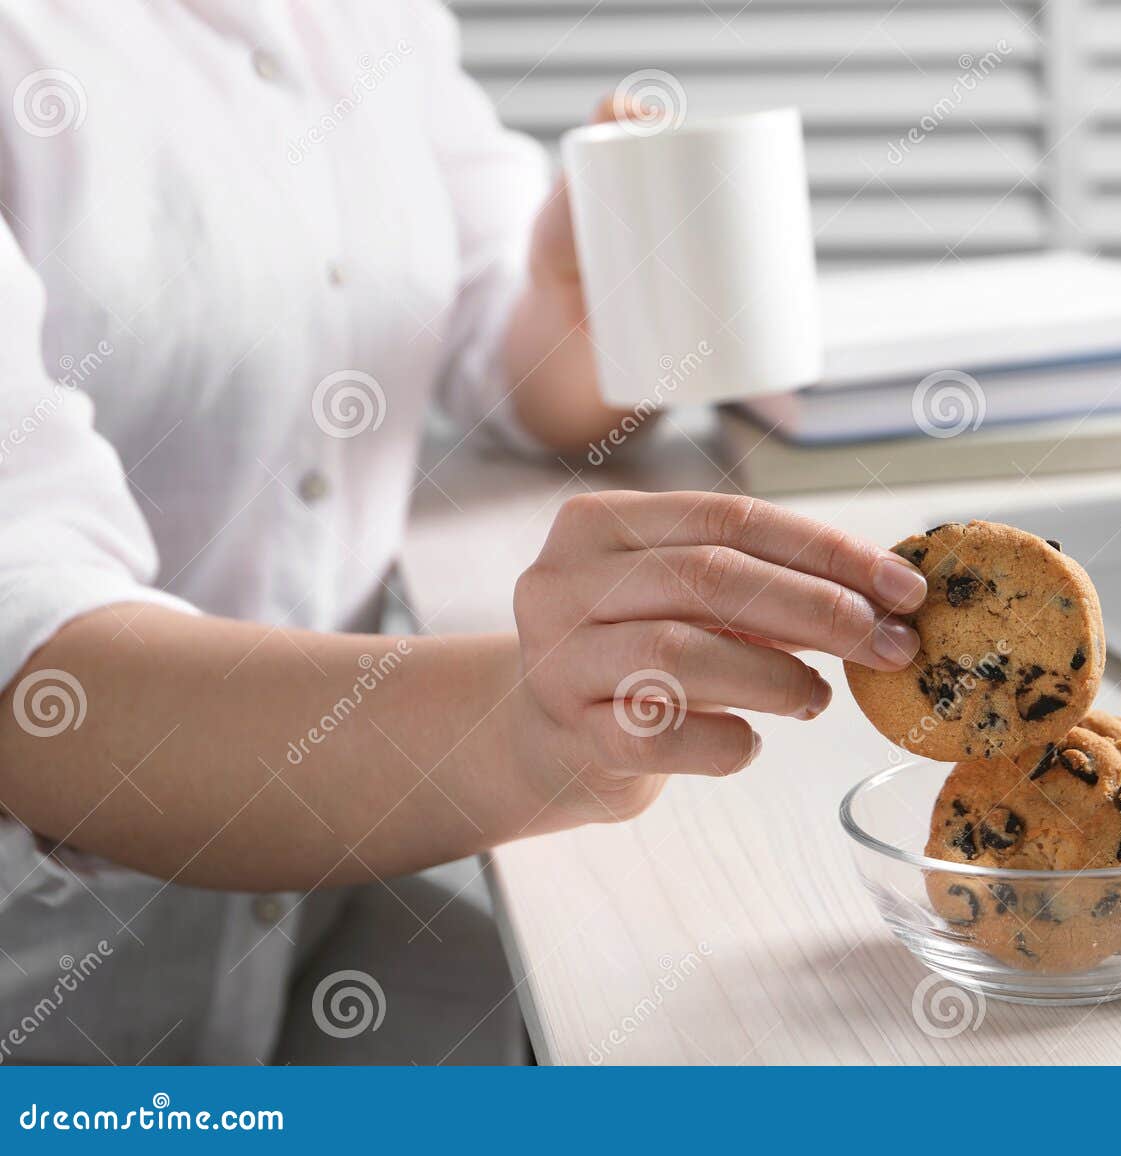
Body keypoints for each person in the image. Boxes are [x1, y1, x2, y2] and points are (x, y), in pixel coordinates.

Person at [0, 2, 926, 1065]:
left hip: (318, 907)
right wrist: (524, 725)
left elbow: (512, 363)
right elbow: (37, 687)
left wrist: (589, 301)